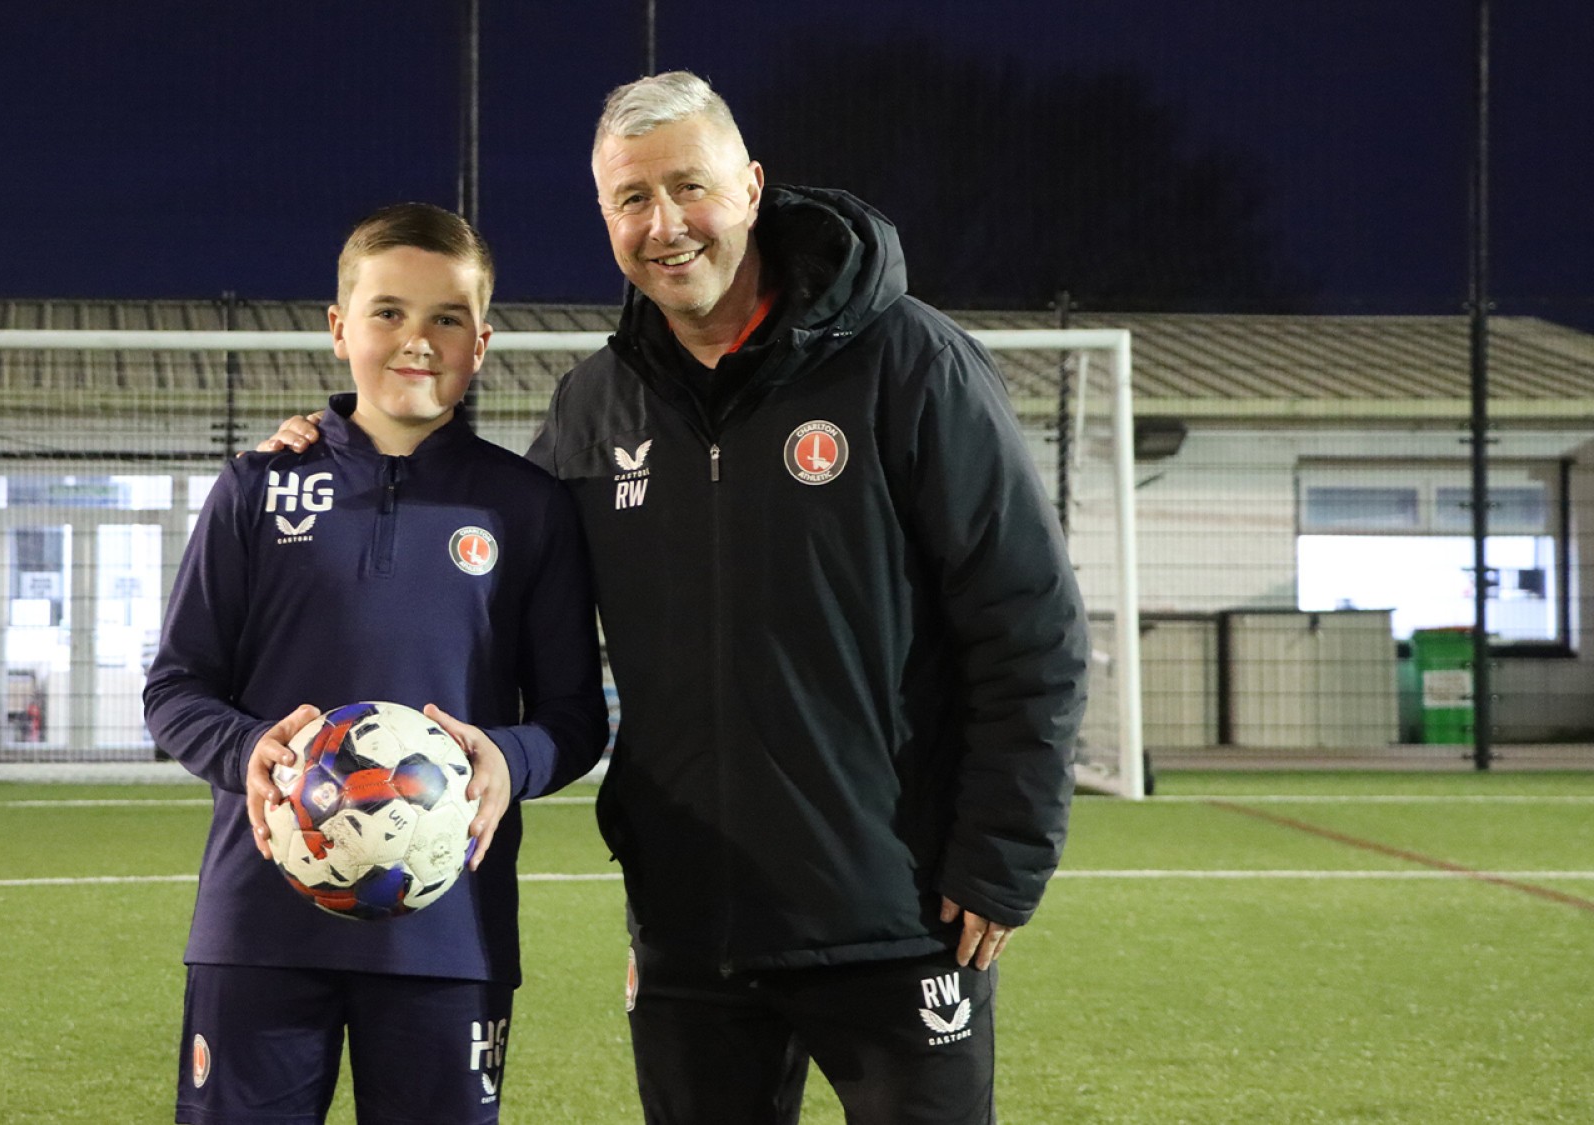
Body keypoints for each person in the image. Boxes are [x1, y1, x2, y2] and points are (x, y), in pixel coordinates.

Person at [262, 73, 1087, 1125]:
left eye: (687, 189)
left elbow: (1027, 625)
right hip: (689, 929)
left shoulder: (909, 363)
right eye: (630, 200)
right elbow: (474, 556)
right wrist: (334, 450)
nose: (664, 227)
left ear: (747, 188)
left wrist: (999, 856)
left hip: (898, 914)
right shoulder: (595, 401)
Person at [144, 202, 609, 1125]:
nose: (416, 341)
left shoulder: (529, 508)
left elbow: (574, 715)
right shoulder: (259, 486)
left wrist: (507, 762)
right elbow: (175, 688)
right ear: (339, 328)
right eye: (389, 312)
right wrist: (253, 754)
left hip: (450, 933)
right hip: (259, 922)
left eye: (446, 318)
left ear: (482, 342)